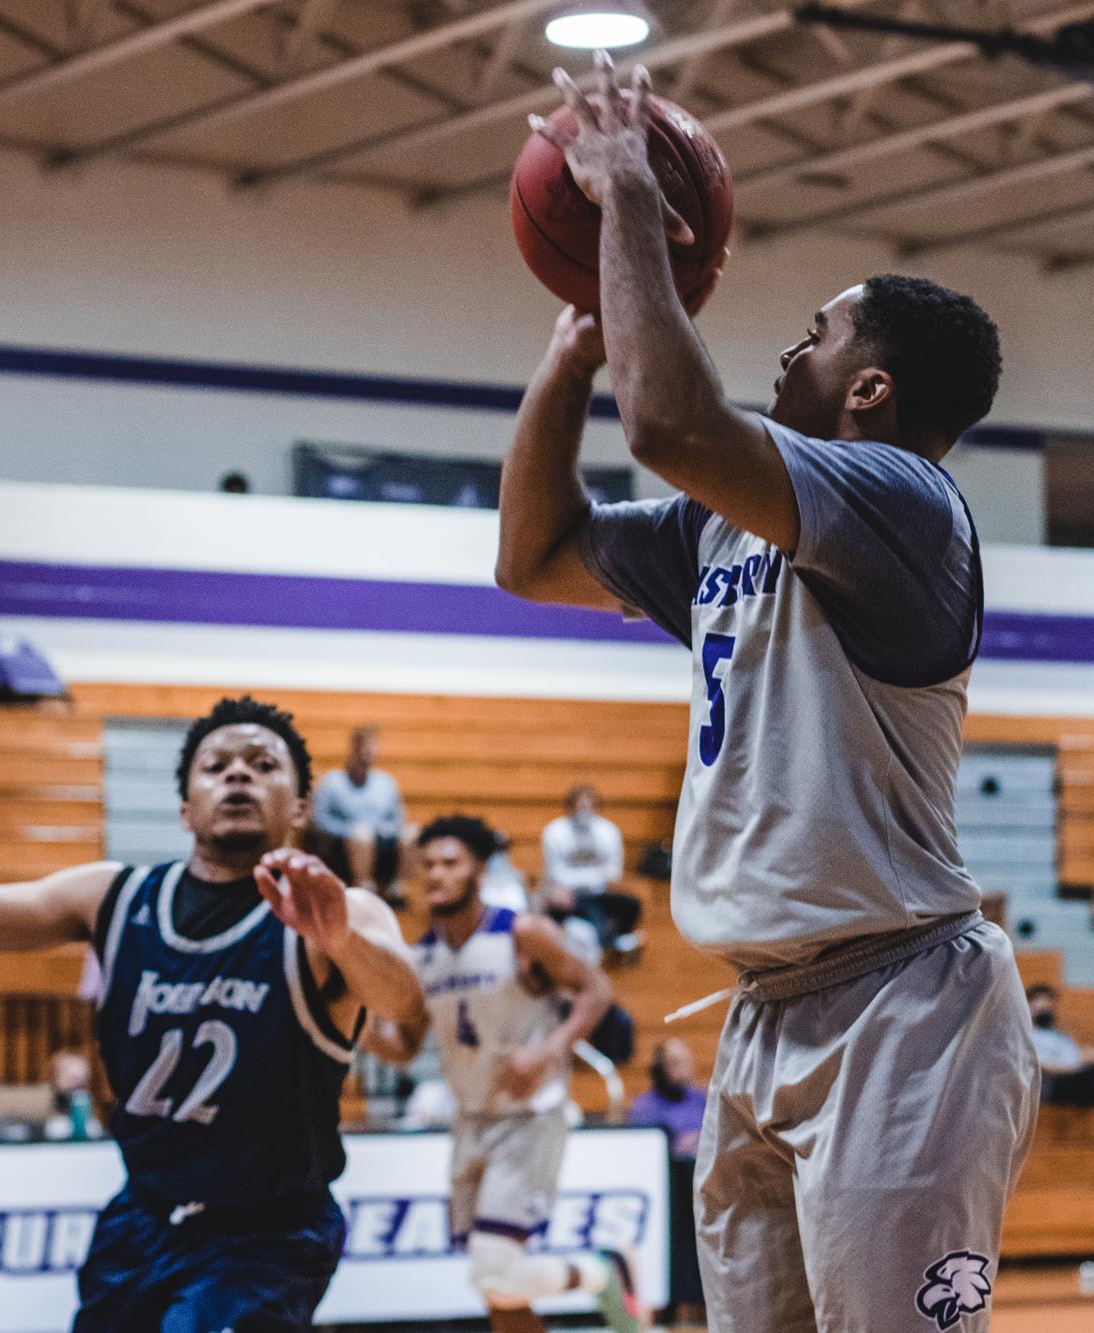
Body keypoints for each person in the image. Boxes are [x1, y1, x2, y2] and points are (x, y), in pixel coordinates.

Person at [501, 52, 1038, 1333]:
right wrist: (573, 354)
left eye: (818, 333)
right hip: (762, 1008)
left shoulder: (899, 496)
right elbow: (529, 559)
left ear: (869, 390)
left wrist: (627, 188)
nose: (788, 344)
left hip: (903, 1007)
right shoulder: (720, 534)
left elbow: (672, 424)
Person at [0, 694, 423, 1333]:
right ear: (184, 807)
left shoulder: (339, 912)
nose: (238, 775)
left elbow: (399, 999)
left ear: (301, 806)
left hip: (268, 1234)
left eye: (262, 764)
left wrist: (341, 940)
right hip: (143, 1218)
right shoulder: (114, 896)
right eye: (217, 765)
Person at [371, 814, 641, 1333]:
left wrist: (547, 1051)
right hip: (469, 1122)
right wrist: (352, 1028)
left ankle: (601, 1272)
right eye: (427, 864)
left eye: (450, 862)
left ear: (478, 869)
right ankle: (597, 1275)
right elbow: (404, 1048)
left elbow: (597, 991)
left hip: (528, 1119)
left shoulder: (522, 932)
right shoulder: (421, 956)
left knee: (494, 1266)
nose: (436, 874)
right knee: (499, 1292)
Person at [629, 1038, 709, 1326]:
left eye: (686, 1061)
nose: (683, 1069)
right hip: (668, 1197)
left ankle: (708, 1303)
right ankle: (668, 1306)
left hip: (703, 1190)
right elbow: (643, 1149)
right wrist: (678, 1145)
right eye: (675, 1063)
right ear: (660, 1068)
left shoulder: (702, 1098)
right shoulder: (645, 1105)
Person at [311, 725, 408, 898]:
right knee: (361, 833)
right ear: (354, 748)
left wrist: (384, 830)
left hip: (382, 844)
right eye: (365, 747)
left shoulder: (386, 782)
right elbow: (320, 820)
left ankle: (398, 891)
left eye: (373, 747)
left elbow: (398, 819)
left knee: (411, 833)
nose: (369, 753)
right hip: (342, 847)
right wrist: (349, 830)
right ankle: (364, 889)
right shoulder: (333, 781)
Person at [540, 785, 639, 954]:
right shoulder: (555, 831)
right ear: (570, 806)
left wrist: (585, 881)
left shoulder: (608, 831)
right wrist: (588, 879)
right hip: (567, 894)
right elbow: (555, 871)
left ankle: (617, 938)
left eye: (588, 805)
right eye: (580, 805)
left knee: (631, 905)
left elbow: (613, 872)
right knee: (573, 909)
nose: (584, 811)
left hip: (598, 892)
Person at [43, 1049, 105, 1142]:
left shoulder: (92, 1126)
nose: (78, 1092)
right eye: (72, 1080)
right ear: (53, 1083)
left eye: (83, 1084)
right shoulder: (54, 1125)